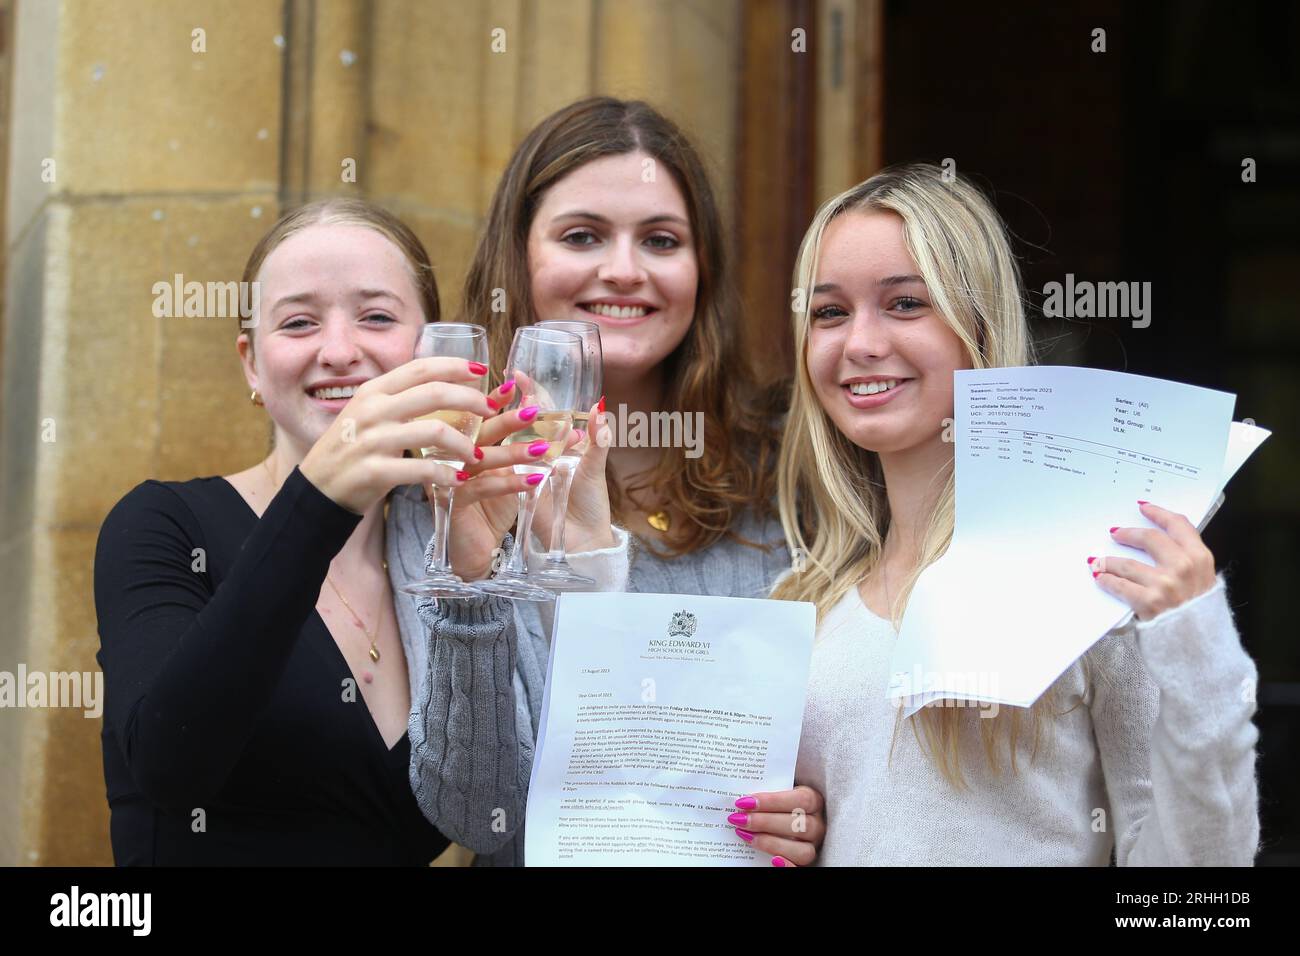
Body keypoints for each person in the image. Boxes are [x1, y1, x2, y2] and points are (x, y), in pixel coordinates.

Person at [772, 163, 1260, 864]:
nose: (860, 344)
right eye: (829, 311)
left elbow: (1195, 880)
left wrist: (1196, 638)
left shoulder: (1094, 571)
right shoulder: (806, 605)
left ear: (979, 323)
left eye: (906, 304)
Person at [402, 97, 826, 866]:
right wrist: (475, 583)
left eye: (661, 240)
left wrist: (813, 816)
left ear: (702, 271)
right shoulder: (450, 480)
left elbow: (842, 762)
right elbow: (479, 816)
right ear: (518, 258)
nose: (623, 269)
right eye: (582, 236)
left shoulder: (795, 474)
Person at [93, 198, 575, 864]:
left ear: (428, 351)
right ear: (251, 364)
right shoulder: (164, 523)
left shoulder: (435, 548)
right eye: (298, 322)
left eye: (377, 317)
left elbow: (486, 820)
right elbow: (170, 767)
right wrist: (318, 501)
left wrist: (474, 581)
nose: (341, 351)